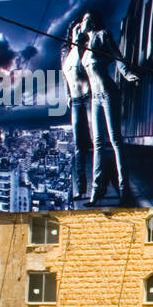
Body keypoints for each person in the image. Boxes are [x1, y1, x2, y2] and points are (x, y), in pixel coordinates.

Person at [76, 10, 139, 205]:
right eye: (82, 19)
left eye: (86, 19)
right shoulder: (84, 47)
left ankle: (124, 189)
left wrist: (128, 74)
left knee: (115, 141)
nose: (83, 22)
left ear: (93, 21)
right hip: (95, 98)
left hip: (109, 93)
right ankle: (96, 192)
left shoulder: (102, 35)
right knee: (98, 144)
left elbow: (118, 57)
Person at [59, 19, 92, 204]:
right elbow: (65, 75)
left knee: (97, 143)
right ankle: (81, 188)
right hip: (76, 99)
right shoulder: (64, 51)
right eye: (75, 29)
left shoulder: (89, 46)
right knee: (79, 146)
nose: (78, 31)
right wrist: (67, 96)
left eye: (81, 28)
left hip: (91, 96)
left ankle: (100, 187)